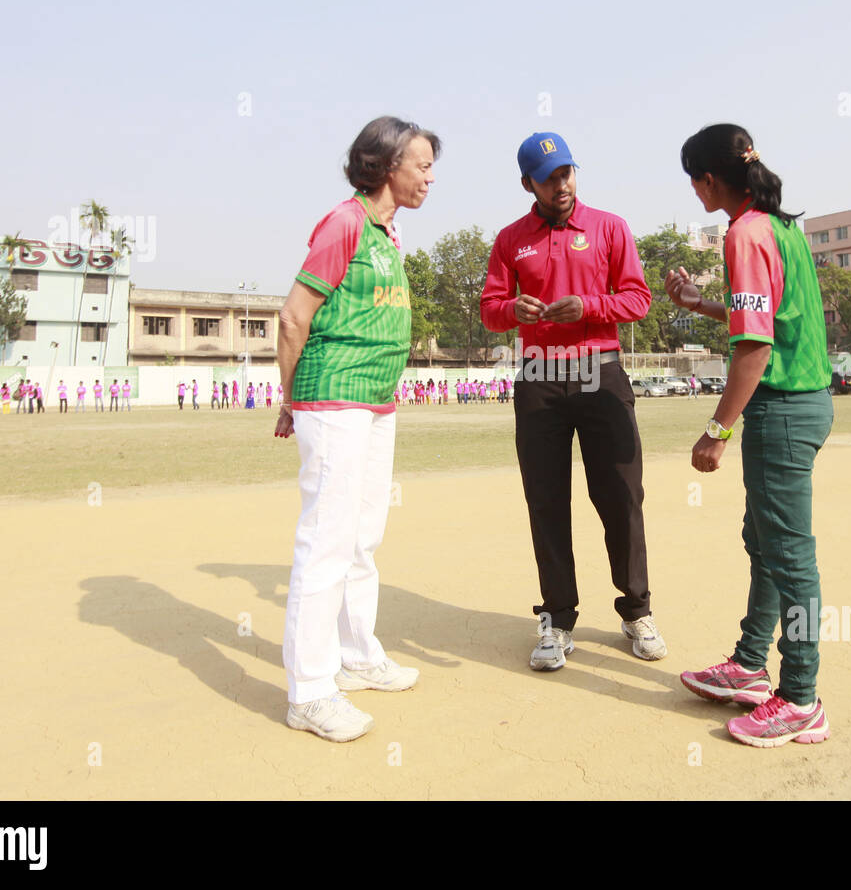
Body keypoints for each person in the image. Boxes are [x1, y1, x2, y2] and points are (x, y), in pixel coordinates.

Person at [668, 124, 834, 748]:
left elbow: (756, 347)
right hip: (802, 406)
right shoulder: (780, 226)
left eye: (692, 178)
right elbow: (765, 315)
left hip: (783, 410)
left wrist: (716, 430)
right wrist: (698, 304)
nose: (692, 189)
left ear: (709, 179)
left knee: (789, 556)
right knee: (764, 541)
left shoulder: (744, 232)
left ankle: (800, 699)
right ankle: (748, 665)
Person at [274, 116, 439, 743]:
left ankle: (357, 655)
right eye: (421, 164)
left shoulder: (387, 234)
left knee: (364, 536)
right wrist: (291, 399)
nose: (430, 176)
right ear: (384, 164)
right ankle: (310, 691)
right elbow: (293, 316)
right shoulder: (344, 223)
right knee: (327, 540)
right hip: (334, 397)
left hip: (376, 402)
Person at [480, 131, 663, 672]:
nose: (561, 185)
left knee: (621, 495)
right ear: (527, 184)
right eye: (548, 178)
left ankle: (637, 611)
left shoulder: (610, 227)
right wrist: (516, 309)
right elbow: (490, 309)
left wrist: (585, 306)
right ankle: (557, 620)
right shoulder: (512, 239)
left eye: (566, 173)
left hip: (599, 371)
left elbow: (638, 299)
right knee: (546, 501)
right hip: (538, 377)